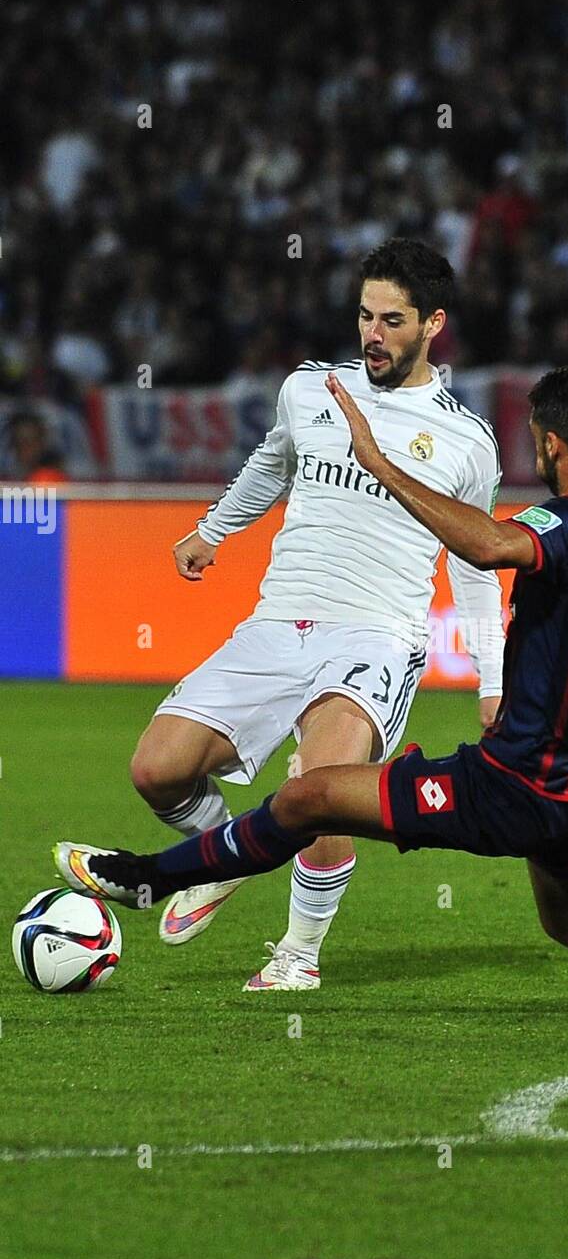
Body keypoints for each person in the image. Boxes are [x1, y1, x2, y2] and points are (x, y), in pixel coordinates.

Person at [56, 363, 568, 1028]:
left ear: (552, 442)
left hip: (515, 780)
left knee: (309, 796)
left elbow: (491, 545)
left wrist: (379, 466)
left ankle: (148, 879)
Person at [127, 238, 504, 990]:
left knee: (326, 785)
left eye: (392, 320)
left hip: (375, 634)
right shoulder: (310, 390)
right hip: (277, 622)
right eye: (364, 315)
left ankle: (297, 956)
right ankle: (225, 854)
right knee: (155, 770)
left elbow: (476, 564)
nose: (373, 333)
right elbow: (272, 463)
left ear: (432, 323)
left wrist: (490, 679)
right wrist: (214, 529)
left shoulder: (466, 441)